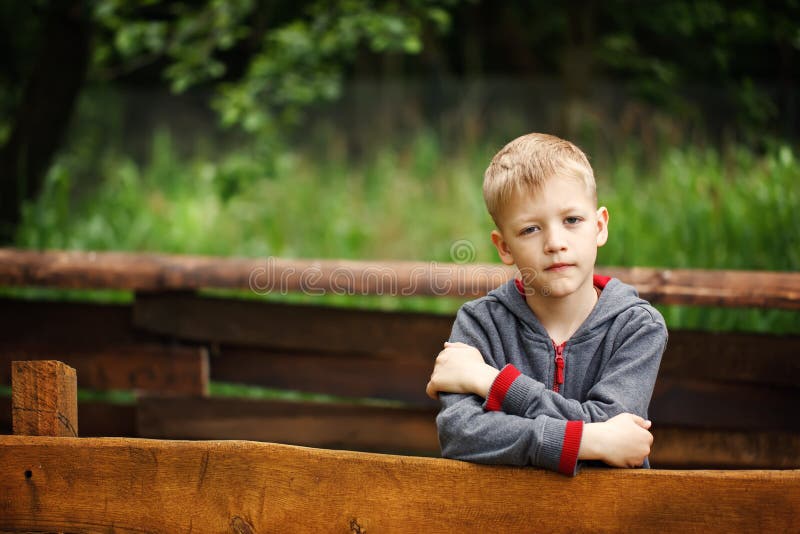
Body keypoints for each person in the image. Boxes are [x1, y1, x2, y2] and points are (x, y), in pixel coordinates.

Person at [425, 133, 668, 476]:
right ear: (504, 247)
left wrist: (493, 382)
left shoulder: (637, 327)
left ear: (599, 226)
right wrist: (589, 441)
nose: (555, 243)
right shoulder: (480, 323)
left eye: (572, 220)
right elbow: (461, 435)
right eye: (530, 229)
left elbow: (616, 430)